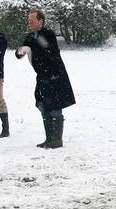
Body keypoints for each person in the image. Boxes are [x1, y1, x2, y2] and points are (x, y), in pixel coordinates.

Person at [16, 10, 75, 149]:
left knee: (54, 105)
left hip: (54, 74)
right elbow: (19, 55)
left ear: (41, 21)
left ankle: (57, 140)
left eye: (33, 20)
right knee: (43, 104)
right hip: (42, 76)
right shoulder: (30, 37)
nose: (30, 22)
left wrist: (31, 47)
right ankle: (49, 138)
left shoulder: (48, 34)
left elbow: (47, 49)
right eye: (29, 20)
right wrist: (21, 50)